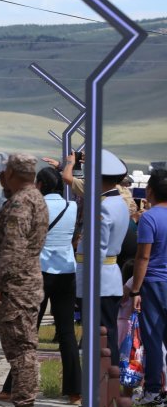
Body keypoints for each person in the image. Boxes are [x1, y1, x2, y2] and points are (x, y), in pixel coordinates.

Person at [0, 167, 81, 405]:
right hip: (66, 273)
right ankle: (75, 391)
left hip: (37, 274)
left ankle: (13, 387)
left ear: (40, 185)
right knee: (67, 334)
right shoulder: (71, 207)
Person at [0, 153, 49, 407]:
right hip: (26, 282)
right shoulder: (33, 198)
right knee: (22, 348)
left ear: (13, 173)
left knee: (21, 351)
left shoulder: (21, 203)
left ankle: (24, 403)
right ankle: (23, 400)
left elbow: (13, 247)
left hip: (16, 287)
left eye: (6, 171)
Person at [74, 149, 130, 366]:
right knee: (105, 336)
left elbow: (97, 249)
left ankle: (102, 390)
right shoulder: (116, 203)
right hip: (107, 279)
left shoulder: (104, 207)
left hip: (98, 282)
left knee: (101, 339)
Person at [130, 169, 167, 407]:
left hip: (154, 283)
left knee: (153, 338)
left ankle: (153, 390)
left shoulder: (149, 218)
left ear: (149, 191)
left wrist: (135, 290)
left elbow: (143, 258)